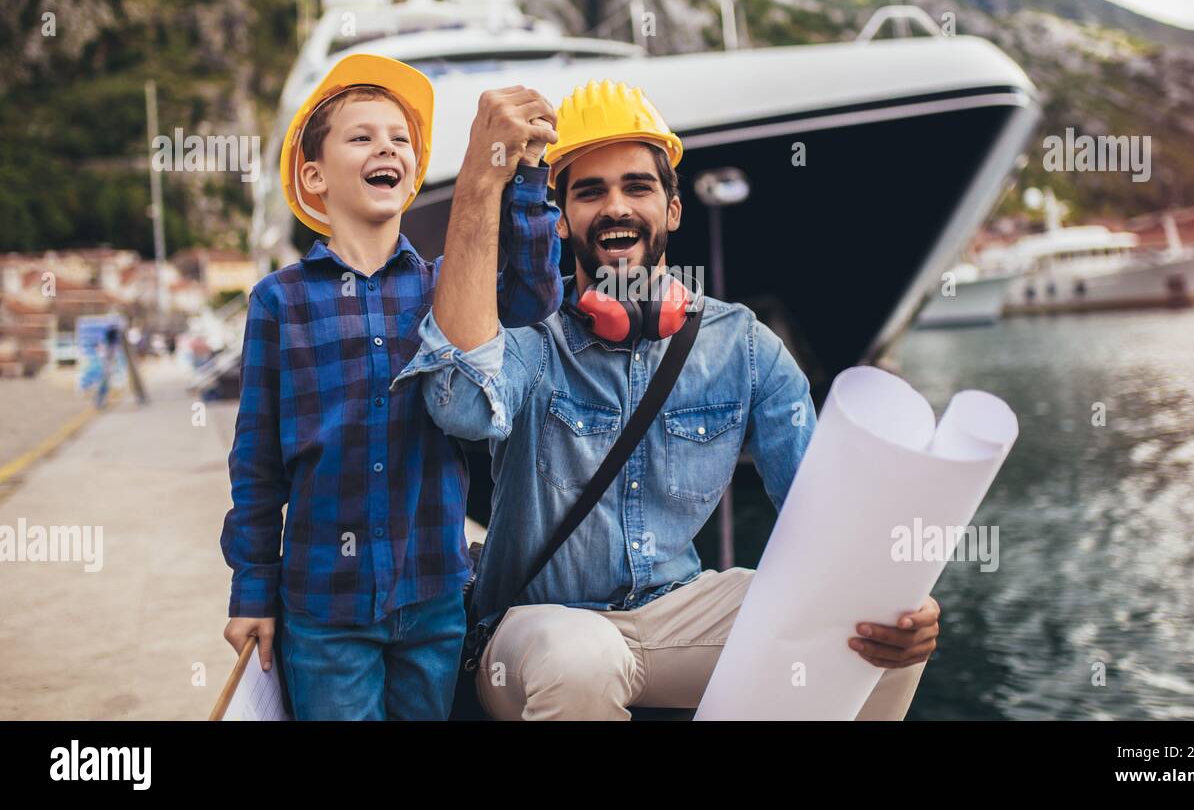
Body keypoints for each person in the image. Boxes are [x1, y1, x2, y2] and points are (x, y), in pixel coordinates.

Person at [394, 79, 939, 720]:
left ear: (673, 210)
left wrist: (896, 595)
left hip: (675, 613)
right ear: (562, 218)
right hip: (531, 634)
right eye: (590, 191)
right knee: (581, 661)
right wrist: (482, 180)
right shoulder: (534, 345)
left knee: (875, 622)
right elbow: (458, 402)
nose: (615, 207)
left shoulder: (744, 347)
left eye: (637, 186)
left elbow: (821, 515)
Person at [220, 52, 561, 719]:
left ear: (411, 174)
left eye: (400, 139)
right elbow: (256, 463)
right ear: (314, 177)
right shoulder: (278, 302)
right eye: (363, 137)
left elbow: (532, 296)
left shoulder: (444, 287)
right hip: (323, 608)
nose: (388, 148)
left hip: (434, 597)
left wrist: (524, 174)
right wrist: (252, 590)